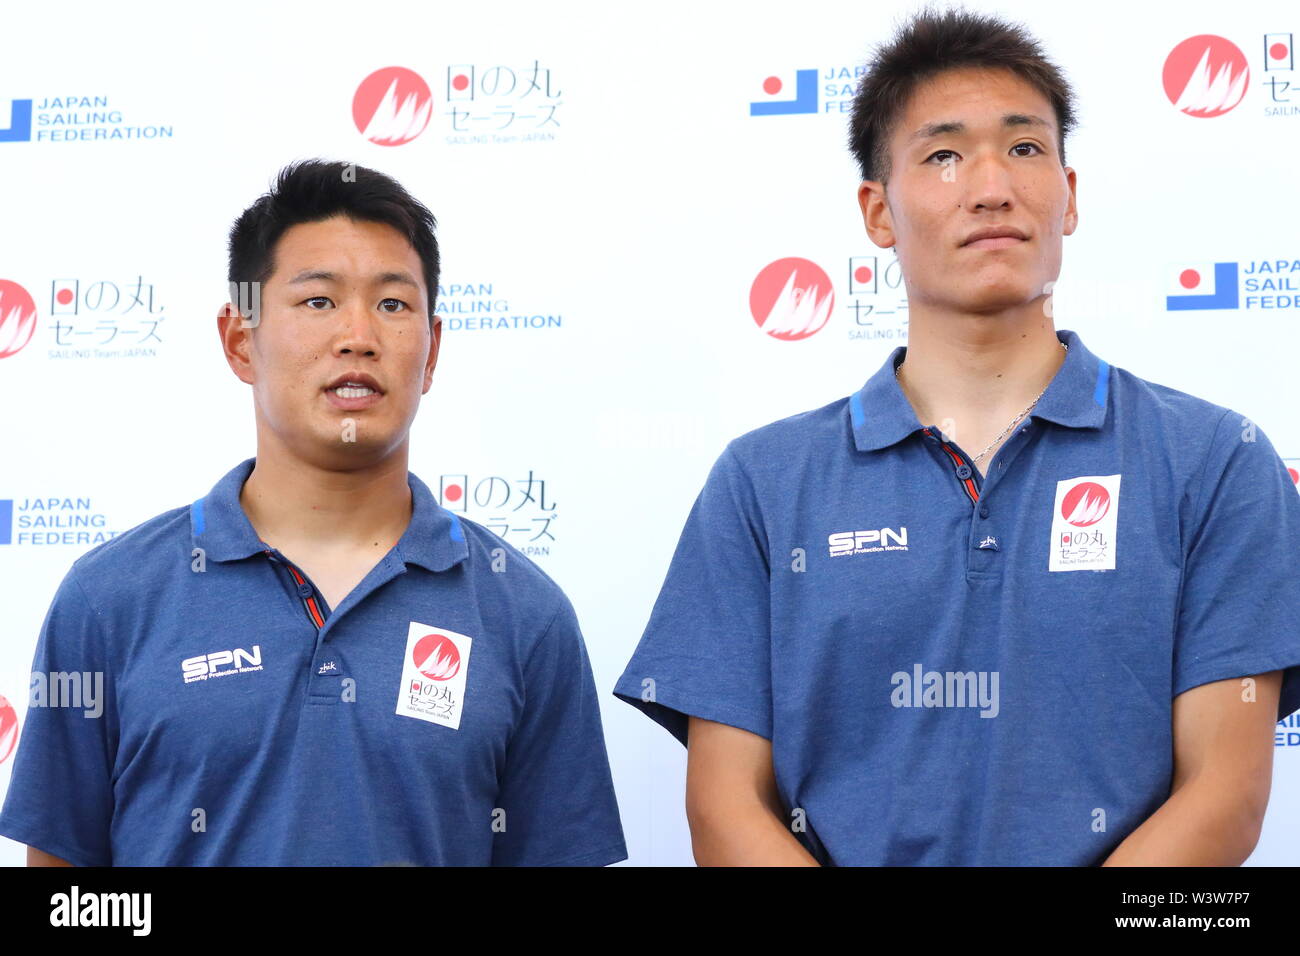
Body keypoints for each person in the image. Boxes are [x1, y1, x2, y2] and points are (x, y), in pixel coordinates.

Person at [613, 8, 1300, 865]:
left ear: (1070, 194)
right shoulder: (764, 483)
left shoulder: (1214, 462)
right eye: (942, 155)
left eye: (1024, 149)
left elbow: (1226, 797)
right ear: (878, 212)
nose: (991, 188)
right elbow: (724, 809)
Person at [0, 159, 627, 867]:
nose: (358, 335)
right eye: (319, 301)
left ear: (432, 352)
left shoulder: (521, 613)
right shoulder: (110, 598)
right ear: (241, 340)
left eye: (393, 304)